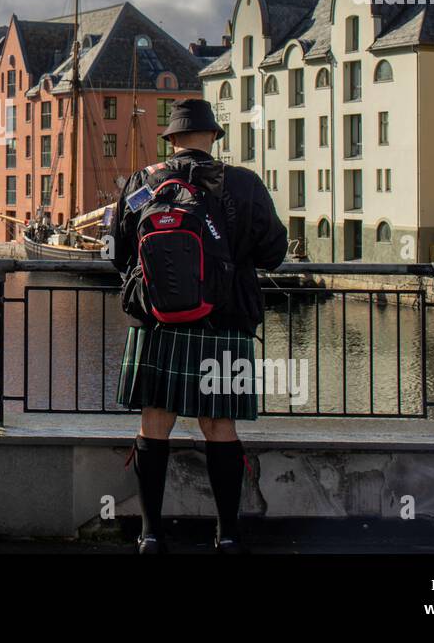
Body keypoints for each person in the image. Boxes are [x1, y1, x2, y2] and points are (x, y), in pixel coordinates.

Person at [110, 98, 287, 554]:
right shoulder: (244, 184)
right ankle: (227, 535)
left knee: (155, 423)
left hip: (157, 322)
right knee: (219, 424)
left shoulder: (142, 185)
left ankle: (150, 534)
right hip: (224, 321)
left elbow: (118, 256)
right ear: (212, 137)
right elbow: (273, 254)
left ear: (171, 140)